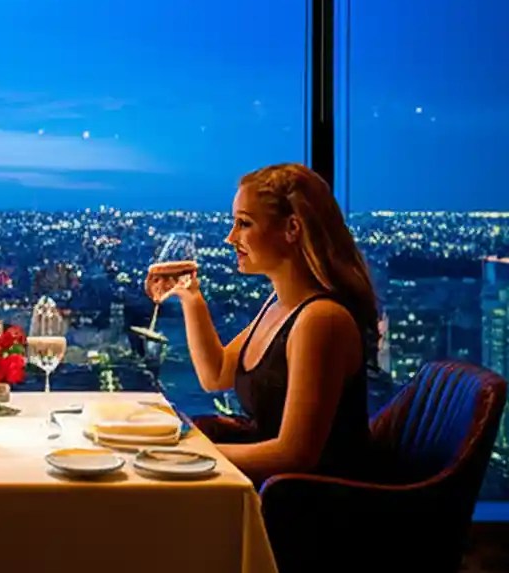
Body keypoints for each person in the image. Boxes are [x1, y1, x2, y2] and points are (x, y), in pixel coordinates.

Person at [146, 163, 379, 485]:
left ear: (292, 228)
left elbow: (295, 454)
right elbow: (216, 375)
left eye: (244, 223)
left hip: (317, 505)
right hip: (279, 491)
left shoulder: (321, 320)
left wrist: (187, 453)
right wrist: (190, 296)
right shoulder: (280, 304)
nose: (231, 238)